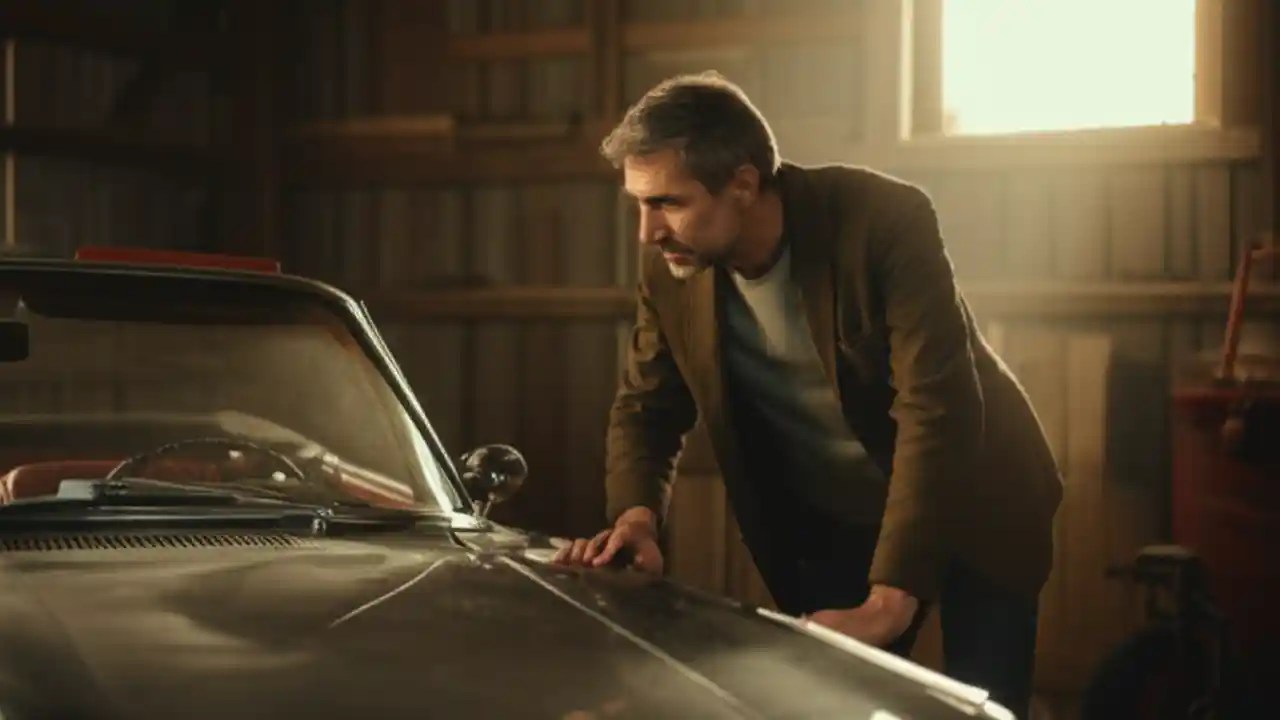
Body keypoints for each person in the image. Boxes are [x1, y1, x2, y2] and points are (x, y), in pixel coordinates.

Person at [552, 71, 1063, 719]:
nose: (647, 233)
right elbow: (647, 406)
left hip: (977, 499)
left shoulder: (885, 219)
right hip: (833, 526)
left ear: (743, 183)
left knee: (982, 705)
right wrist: (636, 519)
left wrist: (892, 598)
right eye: (640, 204)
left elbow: (937, 409)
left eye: (669, 203)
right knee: (833, 708)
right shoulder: (671, 264)